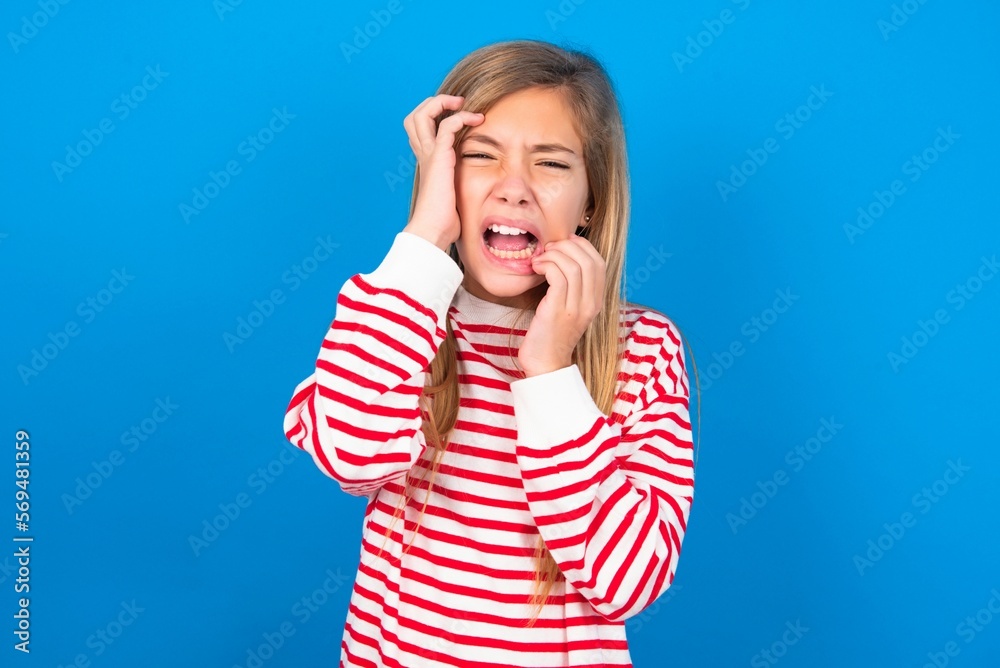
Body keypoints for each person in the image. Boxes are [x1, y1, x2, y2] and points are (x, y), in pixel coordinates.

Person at [283, 38, 697, 668]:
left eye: (551, 164)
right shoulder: (400, 318)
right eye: (480, 156)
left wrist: (552, 371)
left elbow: (628, 582)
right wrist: (425, 235)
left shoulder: (641, 348)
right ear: (443, 177)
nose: (514, 189)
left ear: (591, 201)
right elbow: (350, 452)